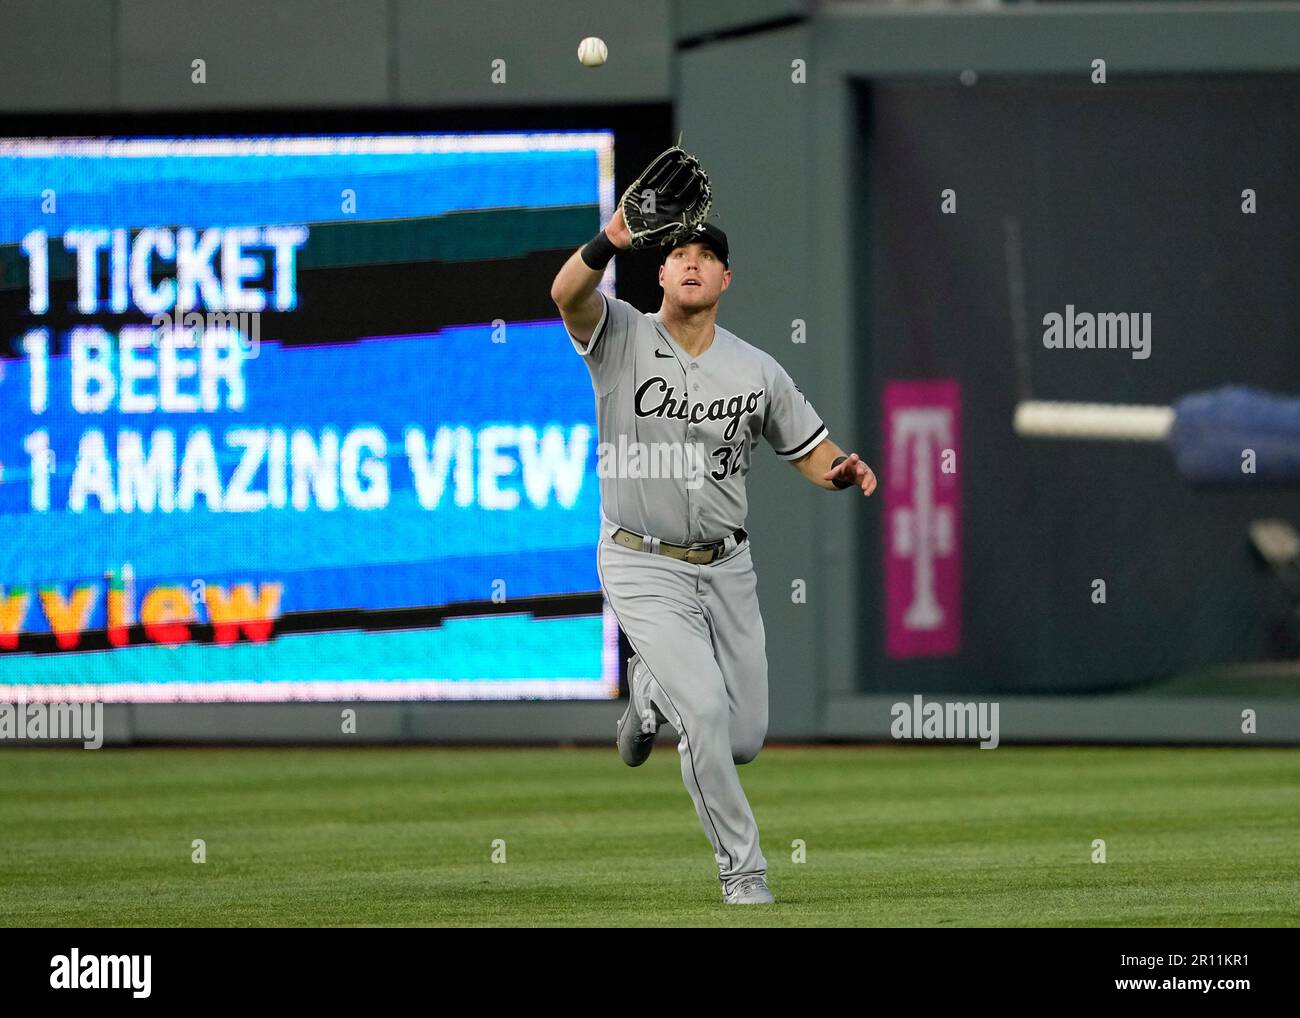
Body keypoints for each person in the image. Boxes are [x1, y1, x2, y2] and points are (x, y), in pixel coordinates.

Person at [549, 208, 877, 905]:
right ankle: (745, 874)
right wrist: (608, 241)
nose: (692, 262)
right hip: (641, 559)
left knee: (744, 736)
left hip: (727, 567)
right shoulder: (620, 335)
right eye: (679, 253)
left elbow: (812, 453)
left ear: (726, 277)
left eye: (706, 254)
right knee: (703, 714)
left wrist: (841, 470)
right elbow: (565, 295)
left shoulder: (755, 368)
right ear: (660, 272)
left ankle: (648, 695)